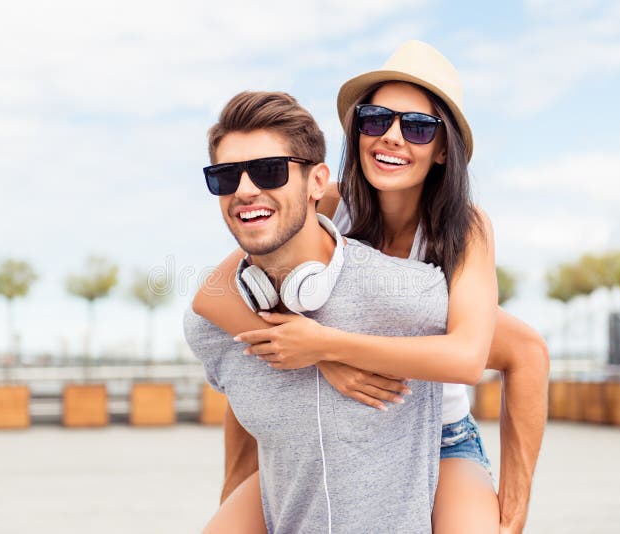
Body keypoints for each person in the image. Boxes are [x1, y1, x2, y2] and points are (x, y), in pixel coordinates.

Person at [193, 41, 549, 534]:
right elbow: (214, 294)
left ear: (444, 149)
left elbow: (474, 357)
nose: (392, 137)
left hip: (438, 441)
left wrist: (513, 511)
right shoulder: (324, 203)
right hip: (330, 436)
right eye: (376, 120)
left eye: (418, 127)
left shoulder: (464, 230)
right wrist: (321, 358)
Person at [185, 90, 452, 533]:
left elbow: (508, 352)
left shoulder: (409, 294)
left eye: (270, 170)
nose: (245, 190)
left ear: (317, 183)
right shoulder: (212, 326)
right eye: (226, 177)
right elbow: (244, 416)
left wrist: (328, 347)